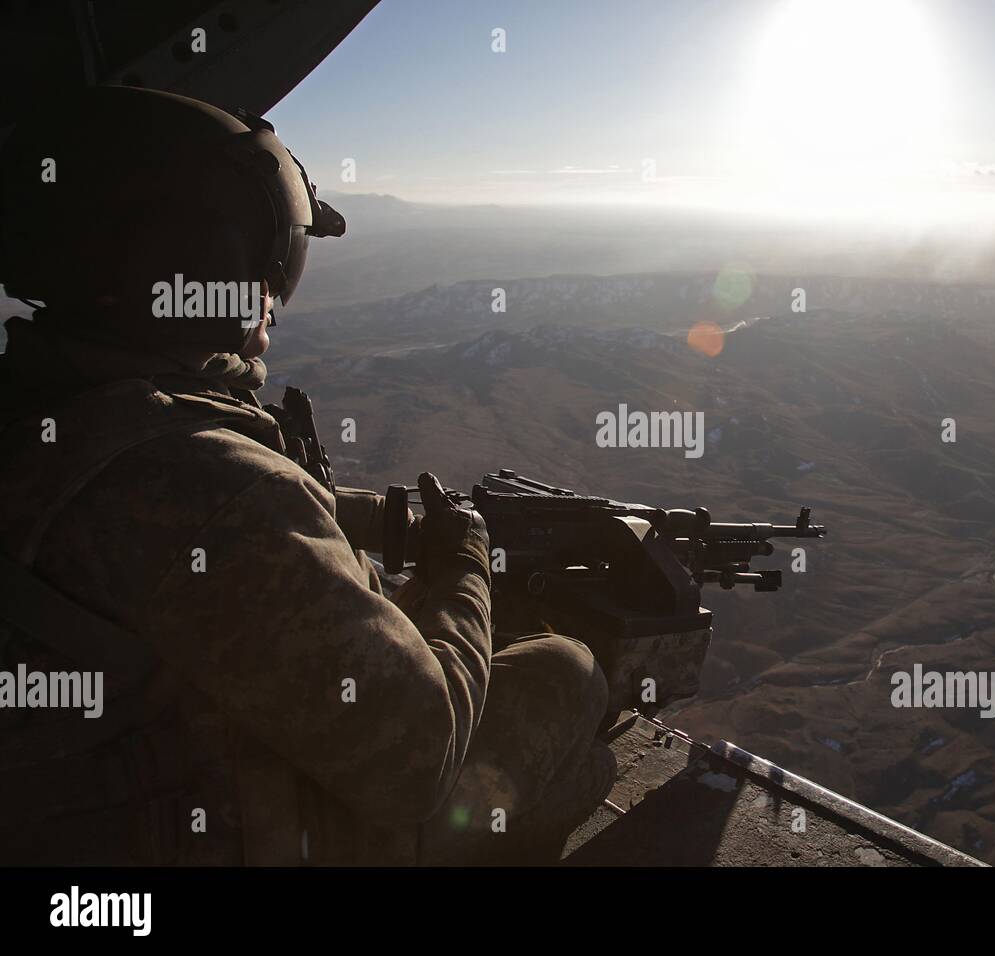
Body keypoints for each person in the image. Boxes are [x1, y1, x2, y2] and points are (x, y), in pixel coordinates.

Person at [0, 86, 615, 865]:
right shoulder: (208, 484)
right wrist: (465, 563)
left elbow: (179, 540)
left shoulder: (54, 406)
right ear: (218, 258)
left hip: (78, 806)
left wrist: (386, 523)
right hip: (187, 829)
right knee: (568, 679)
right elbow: (419, 759)